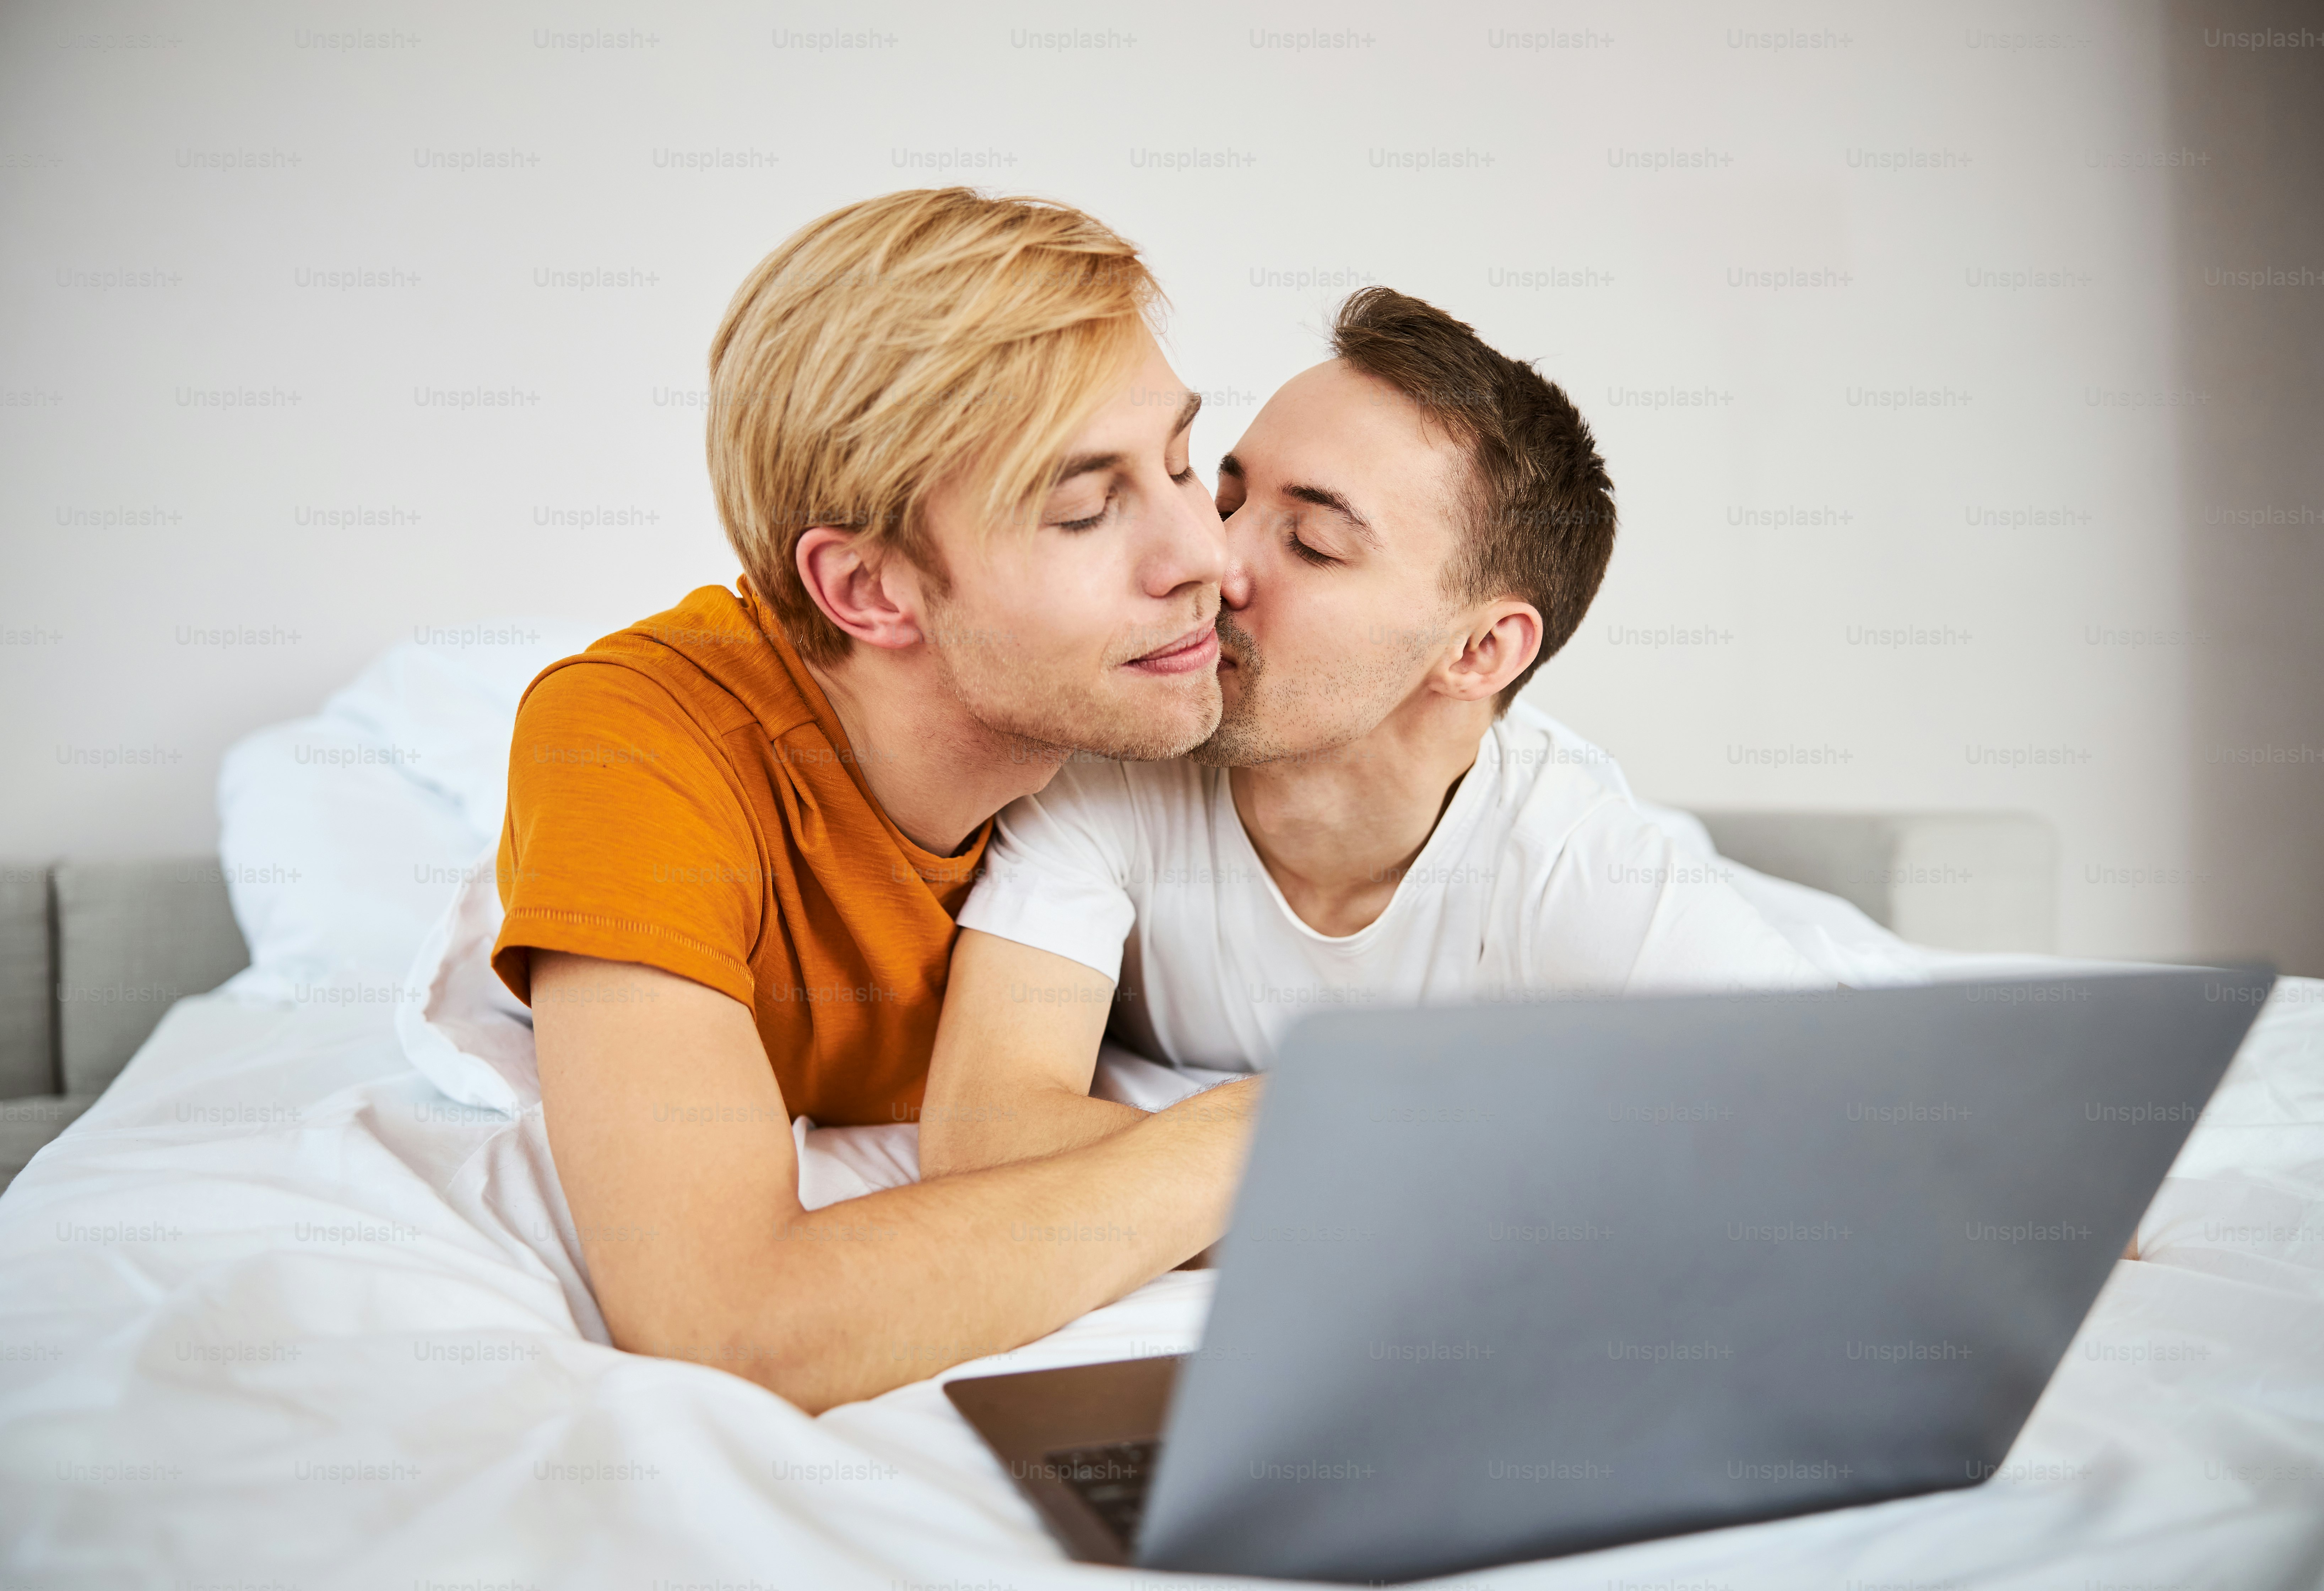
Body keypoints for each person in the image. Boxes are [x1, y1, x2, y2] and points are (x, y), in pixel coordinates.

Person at [491, 188, 1259, 1412]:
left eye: (1180, 465)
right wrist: (1258, 1139)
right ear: (868, 588)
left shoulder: (1153, 706)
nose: (1209, 561)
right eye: (1084, 507)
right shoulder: (636, 742)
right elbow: (727, 1327)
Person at [917, 288, 1831, 1179]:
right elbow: (986, 1140)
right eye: (1227, 498)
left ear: (1479, 650)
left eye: (1311, 542)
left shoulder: (1580, 865)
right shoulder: (1115, 756)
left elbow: (1834, 1132)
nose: (1213, 558)